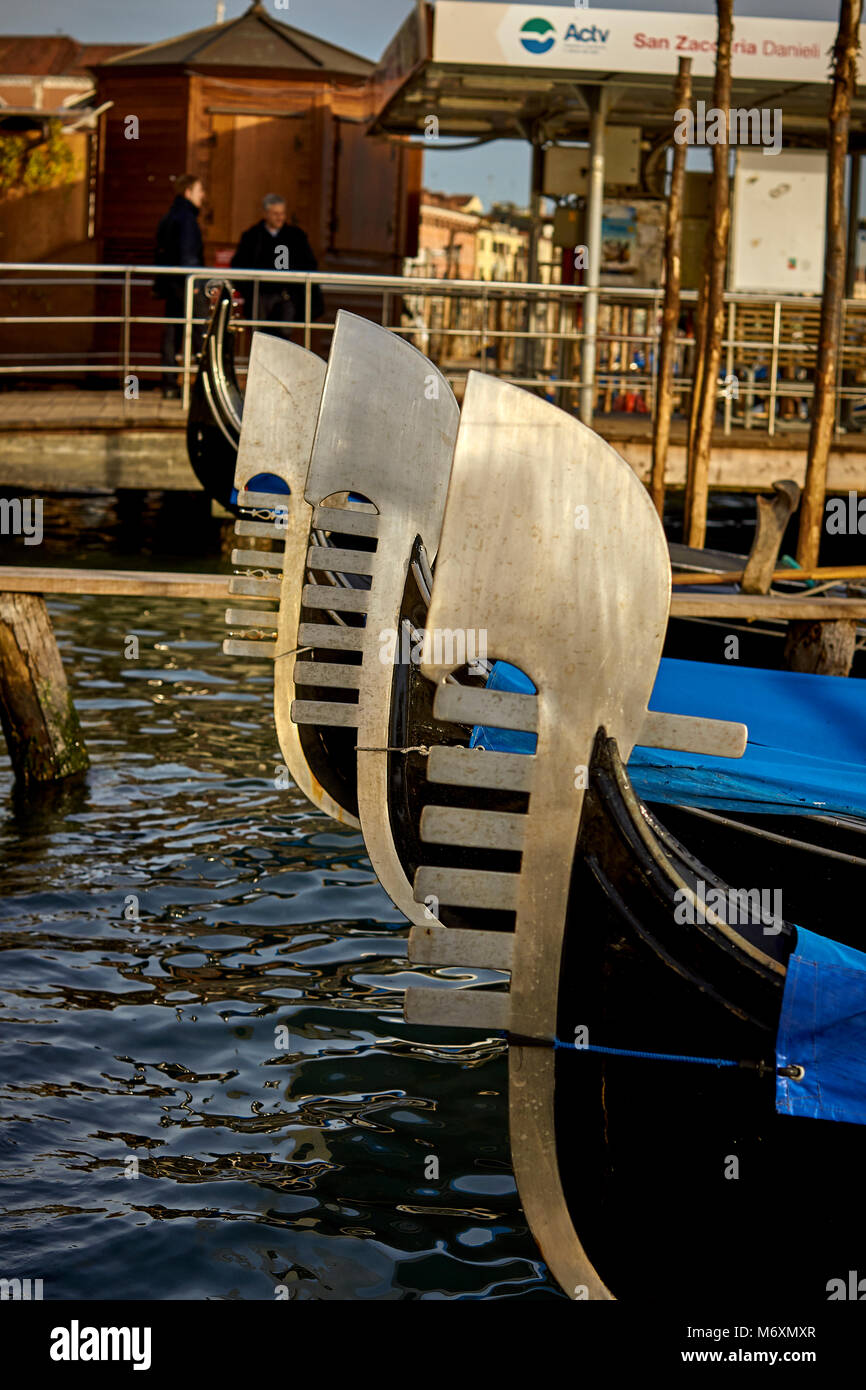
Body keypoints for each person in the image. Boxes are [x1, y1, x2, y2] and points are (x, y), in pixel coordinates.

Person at [231, 194, 324, 338]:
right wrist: (248, 290)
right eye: (275, 214)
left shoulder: (296, 237)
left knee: (283, 336)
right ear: (265, 214)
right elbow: (239, 265)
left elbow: (309, 264)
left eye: (282, 213)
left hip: (286, 295)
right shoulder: (253, 236)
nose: (280, 217)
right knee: (259, 336)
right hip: (259, 296)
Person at [154, 174, 205, 397]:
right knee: (198, 332)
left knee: (173, 333)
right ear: (188, 192)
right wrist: (194, 283)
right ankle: (204, 386)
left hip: (171, 284)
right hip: (186, 284)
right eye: (199, 190)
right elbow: (187, 254)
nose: (202, 195)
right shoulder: (186, 219)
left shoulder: (169, 216)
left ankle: (169, 384)